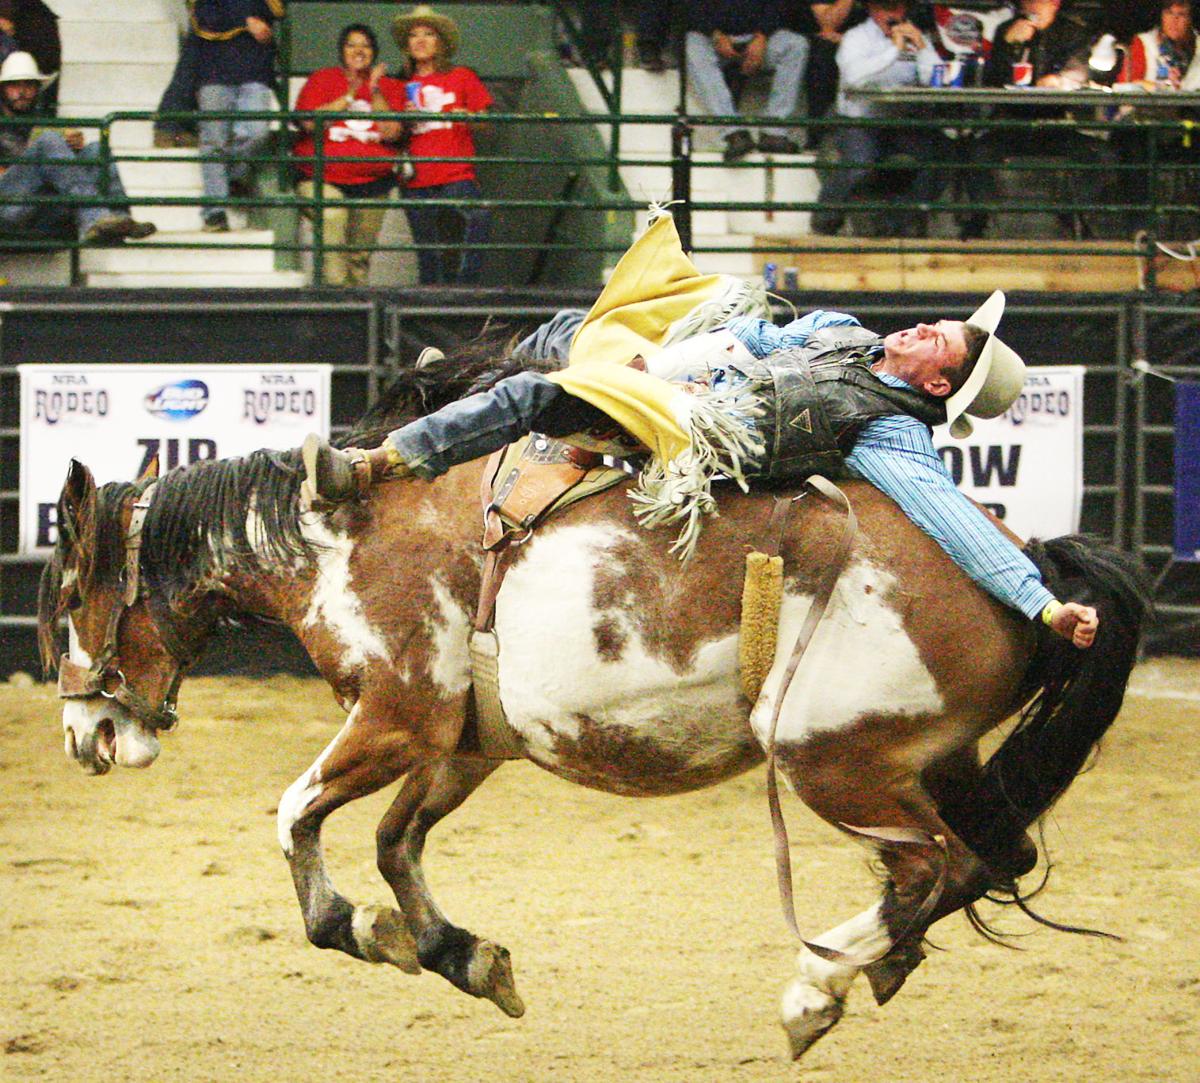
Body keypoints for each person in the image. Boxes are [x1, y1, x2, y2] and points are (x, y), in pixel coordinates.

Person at [300, 214, 1098, 649]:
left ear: (936, 384)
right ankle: (461, 391)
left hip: (690, 436)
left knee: (537, 394)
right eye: (935, 321)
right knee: (579, 329)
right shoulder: (843, 331)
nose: (924, 325)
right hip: (686, 384)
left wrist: (1042, 605)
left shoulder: (891, 434)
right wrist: (664, 362)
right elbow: (753, 341)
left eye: (940, 341)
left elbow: (958, 522)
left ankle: (377, 462)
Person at [811, 0, 955, 237]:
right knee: (859, 163)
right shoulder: (856, 37)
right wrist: (893, 51)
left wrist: (922, 49)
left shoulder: (916, 36)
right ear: (872, 10)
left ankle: (892, 222)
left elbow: (939, 79)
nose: (895, 14)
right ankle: (826, 217)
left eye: (899, 8)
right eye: (887, 8)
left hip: (902, 121)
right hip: (859, 121)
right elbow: (854, 77)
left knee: (944, 158)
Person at [979, 0, 1117, 238]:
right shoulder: (1006, 29)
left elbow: (1079, 72)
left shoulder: (1072, 31)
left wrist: (1059, 79)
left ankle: (1071, 210)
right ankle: (980, 219)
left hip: (1055, 124)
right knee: (974, 153)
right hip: (1013, 123)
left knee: (1104, 157)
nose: (1030, 5)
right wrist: (1008, 46)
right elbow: (991, 80)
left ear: (1055, 3)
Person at [292, 23, 406, 287]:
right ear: (341, 51)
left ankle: (357, 315)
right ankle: (336, 300)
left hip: (373, 183)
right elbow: (310, 123)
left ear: (374, 52)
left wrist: (374, 90)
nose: (358, 50)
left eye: (365, 45)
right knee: (332, 217)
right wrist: (349, 95)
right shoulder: (322, 78)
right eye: (351, 44)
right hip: (321, 177)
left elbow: (390, 132)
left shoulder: (389, 86)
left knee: (359, 256)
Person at [0, 52, 156, 244]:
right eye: (14, 85)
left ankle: (118, 220)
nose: (22, 92)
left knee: (96, 150)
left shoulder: (42, 120)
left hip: (41, 207)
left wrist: (70, 149)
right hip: (7, 209)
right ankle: (96, 218)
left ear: (37, 89)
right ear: (2, 89)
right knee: (49, 141)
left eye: (29, 85)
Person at [394, 4, 493, 286]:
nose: (421, 40)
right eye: (414, 35)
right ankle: (428, 311)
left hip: (456, 173)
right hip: (416, 177)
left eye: (429, 34)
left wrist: (468, 116)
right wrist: (402, 119)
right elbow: (388, 134)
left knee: (480, 215)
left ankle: (465, 287)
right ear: (407, 44)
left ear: (441, 42)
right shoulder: (399, 84)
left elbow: (485, 121)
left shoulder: (462, 76)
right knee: (427, 253)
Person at [193, 0, 283, 233]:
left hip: (254, 70)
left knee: (257, 132)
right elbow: (203, 16)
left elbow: (277, 10)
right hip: (213, 70)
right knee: (214, 141)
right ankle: (214, 212)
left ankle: (233, 174)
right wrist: (244, 21)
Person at [685, 1, 811, 161]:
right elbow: (689, 7)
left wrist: (762, 36)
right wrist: (715, 34)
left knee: (796, 45)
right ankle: (733, 131)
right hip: (712, 37)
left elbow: (779, 5)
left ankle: (774, 132)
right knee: (691, 46)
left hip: (759, 37)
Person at [1120, 0, 1200, 86]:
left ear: (1190, 19)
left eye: (1181, 14)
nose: (1174, 20)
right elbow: (1126, 85)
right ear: (1162, 17)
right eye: (1169, 13)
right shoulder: (1144, 43)